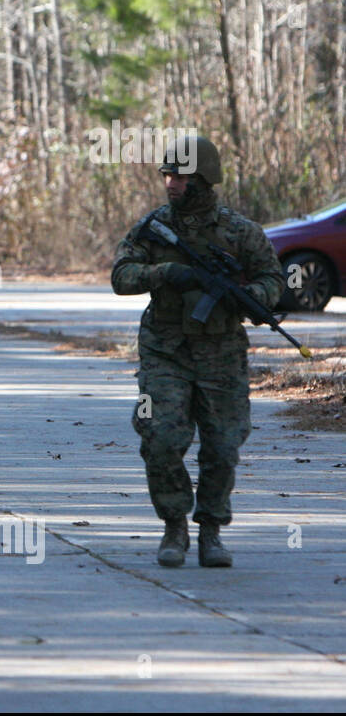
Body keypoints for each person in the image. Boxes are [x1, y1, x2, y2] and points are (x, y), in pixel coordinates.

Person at [111, 135, 282, 567]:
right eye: (167, 175)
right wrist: (165, 272)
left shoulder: (240, 231)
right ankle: (174, 526)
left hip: (222, 352)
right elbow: (121, 276)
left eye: (180, 176)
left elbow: (275, 280)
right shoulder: (153, 227)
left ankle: (210, 531)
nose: (171, 183)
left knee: (224, 446)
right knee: (160, 434)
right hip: (163, 351)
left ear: (204, 179)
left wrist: (248, 296)